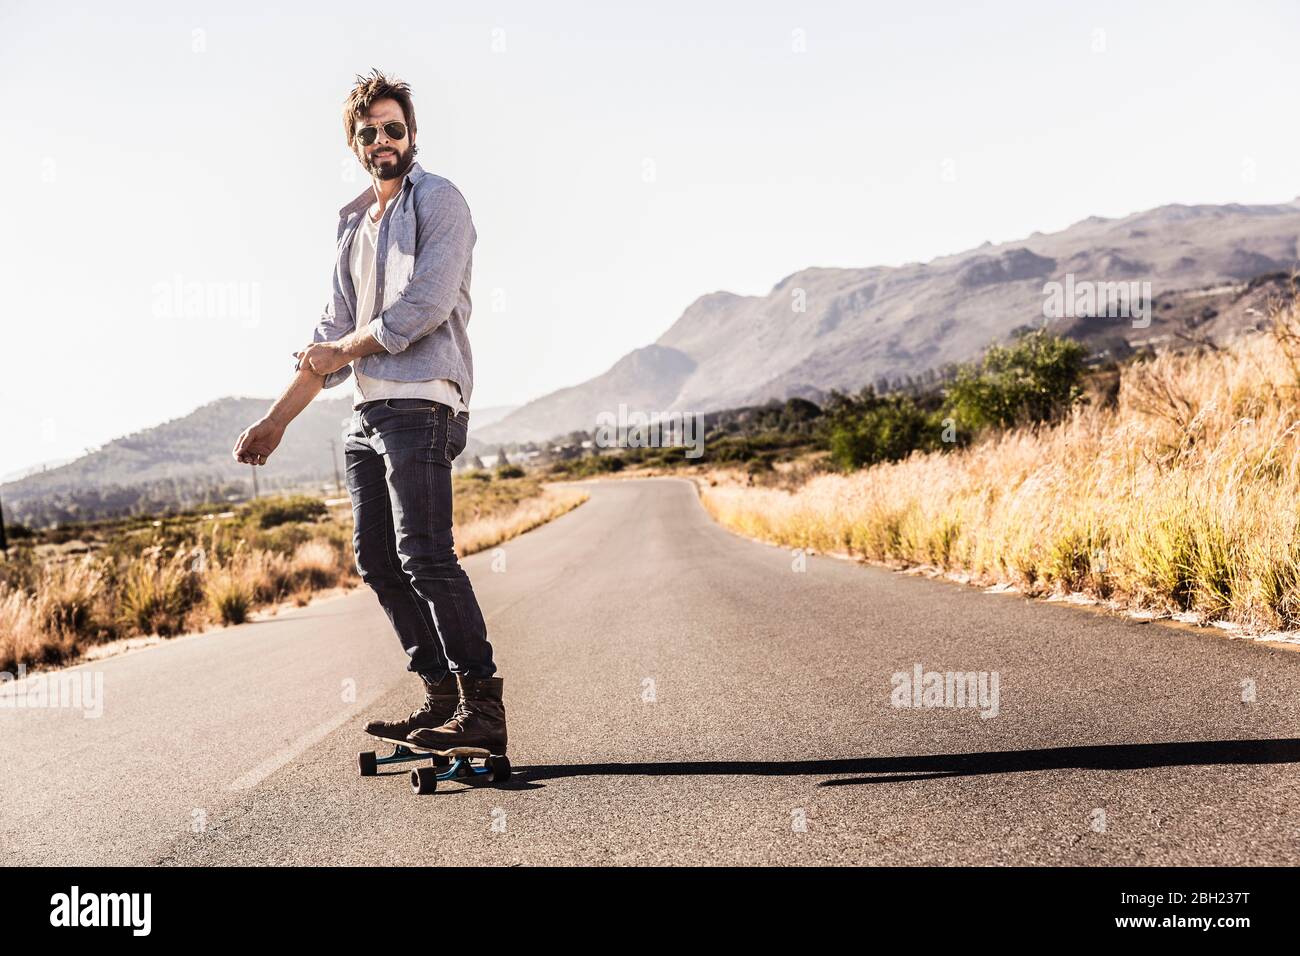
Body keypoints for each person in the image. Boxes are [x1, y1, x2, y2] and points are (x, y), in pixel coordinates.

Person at [232, 69, 506, 755]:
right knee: (378, 560)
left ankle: (484, 709)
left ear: (412, 134)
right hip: (366, 415)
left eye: (394, 128)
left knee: (425, 554)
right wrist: (276, 421)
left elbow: (423, 308)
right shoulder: (351, 223)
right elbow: (329, 338)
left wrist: (339, 352)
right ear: (353, 143)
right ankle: (440, 698)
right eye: (369, 132)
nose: (383, 140)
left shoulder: (441, 201)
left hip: (422, 400)